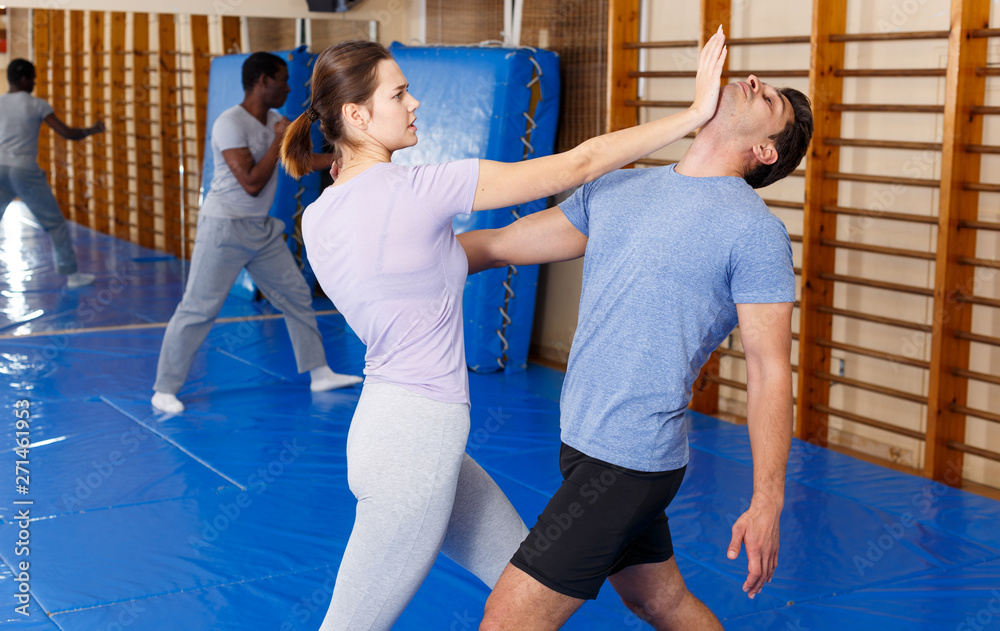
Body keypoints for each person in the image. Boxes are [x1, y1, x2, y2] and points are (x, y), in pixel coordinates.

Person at [279, 31, 727, 631]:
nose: (415, 105)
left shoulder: (319, 216)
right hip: (413, 448)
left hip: (398, 436)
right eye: (400, 93)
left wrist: (615, 231)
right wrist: (696, 113)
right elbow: (579, 164)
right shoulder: (418, 190)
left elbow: (475, 251)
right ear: (357, 114)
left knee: (525, 592)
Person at [458, 71, 814, 630]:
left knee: (508, 619)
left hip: (629, 461)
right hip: (581, 440)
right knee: (659, 601)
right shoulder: (620, 187)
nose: (751, 81)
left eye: (768, 98)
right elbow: (498, 244)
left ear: (765, 151)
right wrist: (398, 252)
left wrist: (767, 498)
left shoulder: (754, 233)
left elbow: (770, 371)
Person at [151, 52, 361, 414]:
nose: (288, 86)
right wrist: (276, 142)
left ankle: (319, 372)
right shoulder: (229, 124)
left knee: (296, 293)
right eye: (282, 79)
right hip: (224, 228)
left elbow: (298, 160)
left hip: (259, 230)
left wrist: (342, 161)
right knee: (198, 308)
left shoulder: (275, 120)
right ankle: (164, 388)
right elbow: (250, 181)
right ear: (263, 81)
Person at [0, 58, 104, 289]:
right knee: (54, 223)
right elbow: (67, 133)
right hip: (23, 169)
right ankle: (73, 275)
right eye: (33, 78)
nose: (34, 82)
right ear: (24, 78)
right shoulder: (37, 105)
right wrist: (93, 129)